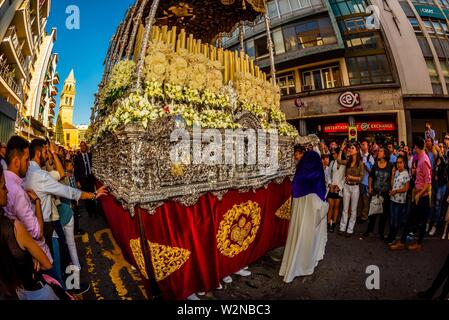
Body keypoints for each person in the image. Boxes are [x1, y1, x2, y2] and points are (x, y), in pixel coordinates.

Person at [23, 139, 108, 261]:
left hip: (31, 225)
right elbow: (68, 191)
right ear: (38, 153)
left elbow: (60, 174)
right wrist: (93, 195)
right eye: (45, 151)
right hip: (45, 226)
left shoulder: (29, 172)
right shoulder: (41, 176)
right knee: (53, 265)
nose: (47, 155)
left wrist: (53, 153)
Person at [0, 166, 58, 300]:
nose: (7, 190)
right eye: (3, 187)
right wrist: (37, 201)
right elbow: (38, 234)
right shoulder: (14, 227)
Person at [279, 151, 328, 283]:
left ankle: (291, 265)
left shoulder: (298, 177)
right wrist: (325, 205)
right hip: (311, 217)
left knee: (296, 237)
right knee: (307, 239)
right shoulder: (317, 178)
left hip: (299, 215)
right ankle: (304, 266)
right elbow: (320, 208)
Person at [3, 136, 51, 262]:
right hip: (39, 255)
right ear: (16, 162)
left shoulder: (4, 179)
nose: (29, 164)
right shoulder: (18, 192)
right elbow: (38, 232)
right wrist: (38, 202)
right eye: (26, 160)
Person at [390, 137, 432, 251]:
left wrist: (419, 194)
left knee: (421, 221)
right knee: (410, 219)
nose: (413, 149)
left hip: (422, 196)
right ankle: (402, 242)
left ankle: (418, 244)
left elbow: (428, 182)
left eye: (414, 147)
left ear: (417, 147)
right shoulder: (419, 158)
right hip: (417, 194)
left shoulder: (424, 160)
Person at [363, 147, 392, 241]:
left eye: (380, 151)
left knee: (383, 215)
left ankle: (381, 233)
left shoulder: (390, 165)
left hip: (385, 194)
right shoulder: (375, 165)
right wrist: (370, 188)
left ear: (385, 154)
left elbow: (393, 178)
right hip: (375, 193)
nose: (378, 152)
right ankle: (369, 230)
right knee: (372, 214)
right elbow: (371, 177)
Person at [338, 142, 364, 237]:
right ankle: (342, 227)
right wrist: (341, 149)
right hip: (346, 186)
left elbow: (361, 177)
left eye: (352, 148)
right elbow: (339, 161)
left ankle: (350, 229)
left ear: (357, 151)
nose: (350, 149)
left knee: (353, 209)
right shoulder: (348, 160)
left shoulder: (360, 163)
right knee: (345, 209)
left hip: (355, 187)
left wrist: (351, 177)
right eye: (350, 148)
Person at [386, 155, 410, 244]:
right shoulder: (396, 172)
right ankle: (390, 236)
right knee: (392, 219)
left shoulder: (406, 173)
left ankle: (392, 238)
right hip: (392, 199)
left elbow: (406, 188)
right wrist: (392, 175)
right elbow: (392, 185)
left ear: (404, 163)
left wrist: (395, 191)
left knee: (396, 220)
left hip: (399, 201)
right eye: (397, 163)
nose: (398, 164)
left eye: (400, 162)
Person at [74, 141, 98, 219]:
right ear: (80, 147)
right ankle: (90, 212)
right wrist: (77, 181)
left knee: (93, 194)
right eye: (81, 146)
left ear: (86, 147)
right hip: (83, 179)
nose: (83, 147)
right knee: (86, 196)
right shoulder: (77, 157)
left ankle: (95, 211)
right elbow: (76, 170)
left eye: (84, 145)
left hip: (91, 178)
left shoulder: (90, 155)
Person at [429, 144, 449, 236]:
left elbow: (445, 164)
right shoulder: (436, 159)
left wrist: (440, 154)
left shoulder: (445, 158)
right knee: (432, 204)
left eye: (441, 147)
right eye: (438, 146)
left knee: (438, 205)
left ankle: (435, 225)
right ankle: (430, 222)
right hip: (434, 185)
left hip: (441, 186)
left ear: (443, 149)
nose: (439, 148)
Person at [327, 147, 345, 233]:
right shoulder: (331, 162)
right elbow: (328, 175)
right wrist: (330, 184)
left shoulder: (344, 164)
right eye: (332, 153)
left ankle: (333, 224)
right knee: (330, 206)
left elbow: (344, 177)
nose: (332, 155)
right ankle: (327, 223)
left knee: (337, 207)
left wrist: (339, 187)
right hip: (331, 187)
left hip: (339, 188)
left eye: (334, 153)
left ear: (338, 154)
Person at [358, 140, 374, 223]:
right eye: (361, 144)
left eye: (364, 144)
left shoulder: (370, 157)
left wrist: (364, 166)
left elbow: (372, 171)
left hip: (366, 182)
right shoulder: (360, 156)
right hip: (359, 182)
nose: (362, 145)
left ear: (368, 146)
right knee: (360, 200)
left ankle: (364, 217)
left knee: (366, 200)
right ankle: (360, 215)